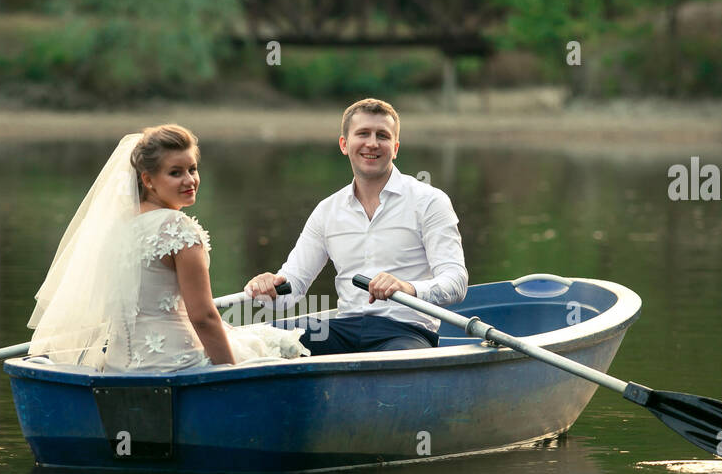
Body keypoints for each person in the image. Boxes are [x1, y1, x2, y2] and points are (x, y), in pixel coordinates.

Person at [27, 125, 308, 371]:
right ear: (148, 180)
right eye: (176, 173)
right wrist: (231, 373)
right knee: (280, 348)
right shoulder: (179, 229)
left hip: (118, 366)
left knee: (254, 338)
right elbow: (204, 317)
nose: (189, 180)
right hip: (176, 362)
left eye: (192, 169)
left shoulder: (115, 228)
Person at [246, 98, 468, 354]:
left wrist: (407, 288)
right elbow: (292, 286)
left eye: (382, 136)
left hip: (404, 331)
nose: (372, 143)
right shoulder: (327, 211)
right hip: (344, 329)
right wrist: (266, 289)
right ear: (344, 144)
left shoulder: (430, 201)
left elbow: (456, 282)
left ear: (395, 148)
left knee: (394, 364)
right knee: (264, 344)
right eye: (363, 133)